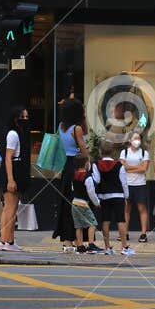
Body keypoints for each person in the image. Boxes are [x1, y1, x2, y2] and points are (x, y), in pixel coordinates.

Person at [0, 105, 32, 252]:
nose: (25, 119)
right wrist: (11, 179)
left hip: (16, 172)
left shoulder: (19, 133)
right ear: (15, 119)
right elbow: (8, 158)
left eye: (27, 117)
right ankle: (6, 241)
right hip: (13, 172)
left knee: (10, 208)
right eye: (22, 117)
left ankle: (7, 240)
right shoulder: (13, 134)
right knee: (10, 208)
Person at [53, 99, 87, 251]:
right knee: (77, 202)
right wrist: (88, 162)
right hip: (75, 164)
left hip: (63, 164)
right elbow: (83, 148)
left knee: (66, 201)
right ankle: (74, 239)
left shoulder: (60, 127)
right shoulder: (77, 128)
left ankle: (67, 239)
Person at [87, 142, 131, 255]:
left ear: (100, 152)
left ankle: (107, 247)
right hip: (118, 196)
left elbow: (96, 180)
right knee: (121, 220)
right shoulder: (119, 165)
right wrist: (126, 196)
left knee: (105, 221)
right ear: (113, 152)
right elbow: (124, 182)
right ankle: (124, 247)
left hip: (103, 196)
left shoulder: (96, 164)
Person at [121, 130, 153, 241]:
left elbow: (144, 169)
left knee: (142, 209)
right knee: (126, 209)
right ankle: (125, 233)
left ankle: (143, 233)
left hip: (140, 184)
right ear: (130, 140)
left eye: (138, 139)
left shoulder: (144, 153)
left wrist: (129, 167)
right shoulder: (124, 152)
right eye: (134, 138)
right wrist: (137, 167)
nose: (137, 141)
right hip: (127, 184)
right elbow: (122, 167)